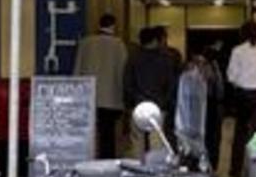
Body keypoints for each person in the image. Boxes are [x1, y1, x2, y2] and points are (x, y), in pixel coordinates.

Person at [74, 13, 128, 159]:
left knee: (87, 130)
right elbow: (122, 72)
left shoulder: (85, 43)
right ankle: (107, 159)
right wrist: (123, 96)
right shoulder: (118, 44)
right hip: (110, 97)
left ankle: (86, 157)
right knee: (107, 132)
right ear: (113, 25)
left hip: (88, 94)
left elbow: (77, 69)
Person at [227, 21, 256, 177]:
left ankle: (236, 170)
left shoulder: (238, 51)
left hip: (244, 94)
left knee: (240, 133)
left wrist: (241, 81)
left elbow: (231, 76)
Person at [124, 27, 180, 149]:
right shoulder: (166, 59)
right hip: (159, 105)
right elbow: (171, 84)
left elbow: (127, 83)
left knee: (137, 141)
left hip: (138, 105)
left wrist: (134, 100)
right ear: (155, 40)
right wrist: (165, 102)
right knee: (156, 141)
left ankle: (137, 166)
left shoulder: (133, 58)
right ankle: (155, 166)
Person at [174, 51, 211, 171]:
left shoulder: (203, 80)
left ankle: (198, 165)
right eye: (197, 63)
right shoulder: (186, 78)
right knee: (187, 149)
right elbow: (182, 102)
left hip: (197, 123)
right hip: (187, 123)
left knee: (196, 147)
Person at [202, 42, 226, 174]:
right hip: (212, 104)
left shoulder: (210, 67)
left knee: (211, 135)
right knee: (212, 136)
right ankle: (211, 163)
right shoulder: (211, 67)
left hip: (211, 104)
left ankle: (211, 162)